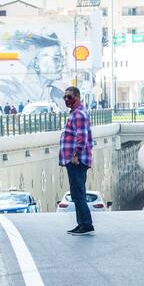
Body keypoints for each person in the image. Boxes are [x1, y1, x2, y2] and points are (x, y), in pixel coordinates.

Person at [59, 85, 94, 236]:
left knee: (77, 193)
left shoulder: (78, 114)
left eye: (70, 97)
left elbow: (82, 137)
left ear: (77, 97)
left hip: (76, 161)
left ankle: (86, 224)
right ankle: (81, 224)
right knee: (78, 192)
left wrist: (75, 155)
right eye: (65, 97)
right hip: (76, 159)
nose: (67, 100)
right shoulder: (75, 113)